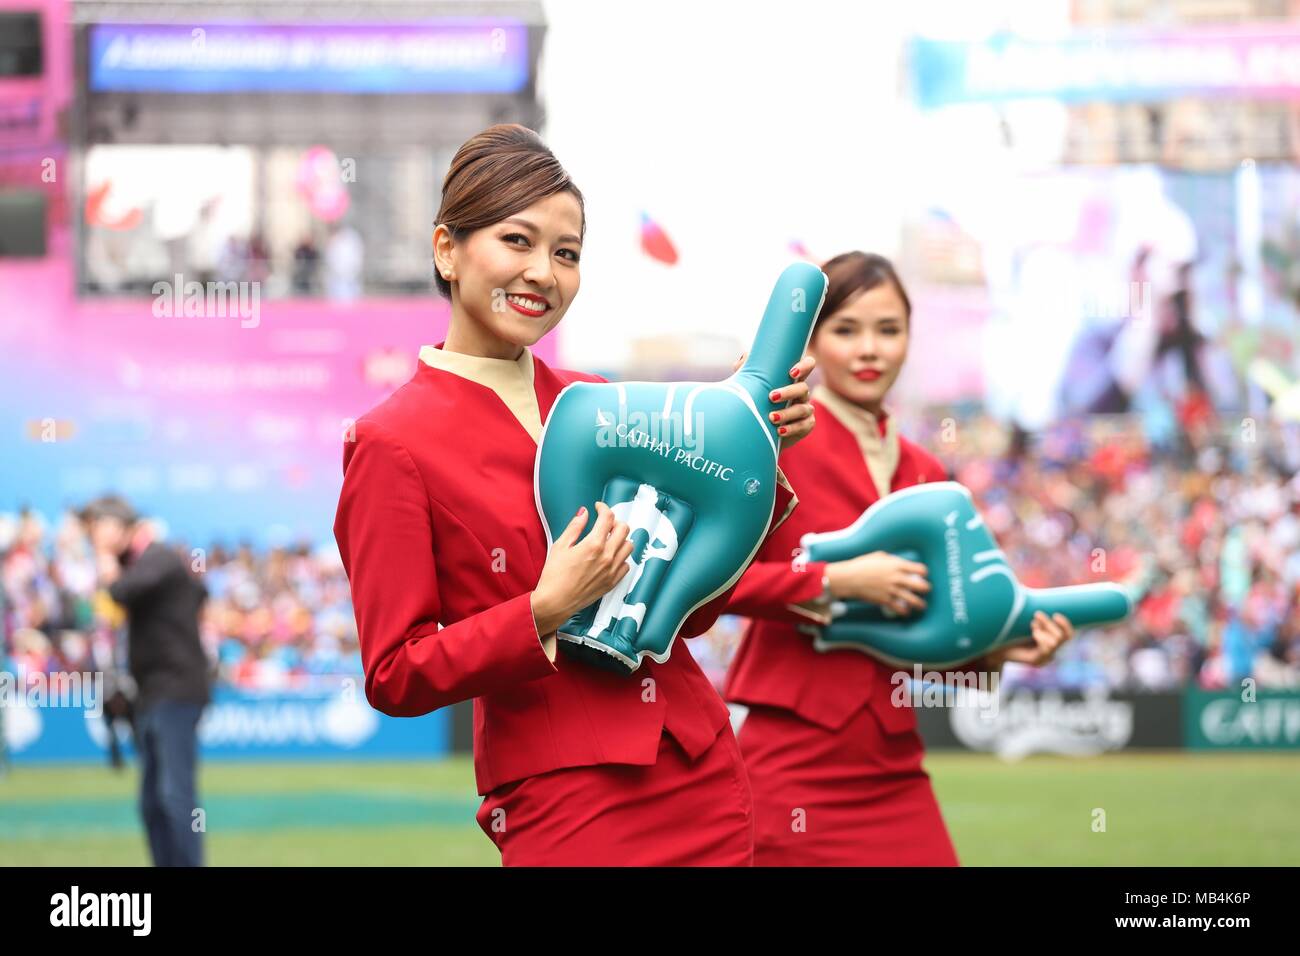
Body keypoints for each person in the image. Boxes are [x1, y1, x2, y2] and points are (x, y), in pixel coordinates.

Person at [332, 124, 817, 866]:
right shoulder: (391, 442)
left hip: (700, 773)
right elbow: (395, 672)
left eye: (566, 253)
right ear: (446, 250)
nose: (543, 272)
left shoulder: (599, 400)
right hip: (565, 803)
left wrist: (758, 455)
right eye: (516, 241)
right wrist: (541, 611)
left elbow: (690, 611)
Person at [724, 251, 1076, 865]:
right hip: (790, 760)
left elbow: (927, 637)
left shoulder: (928, 473)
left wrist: (997, 653)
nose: (870, 350)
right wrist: (836, 580)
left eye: (889, 330)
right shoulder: (773, 438)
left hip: (893, 761)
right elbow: (713, 585)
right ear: (811, 341)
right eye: (846, 329)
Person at [85, 495, 210, 867]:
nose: (96, 535)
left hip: (176, 690)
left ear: (124, 527)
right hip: (152, 693)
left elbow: (121, 593)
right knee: (152, 801)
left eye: (101, 526)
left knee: (175, 795)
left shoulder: (158, 556)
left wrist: (107, 562)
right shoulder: (146, 563)